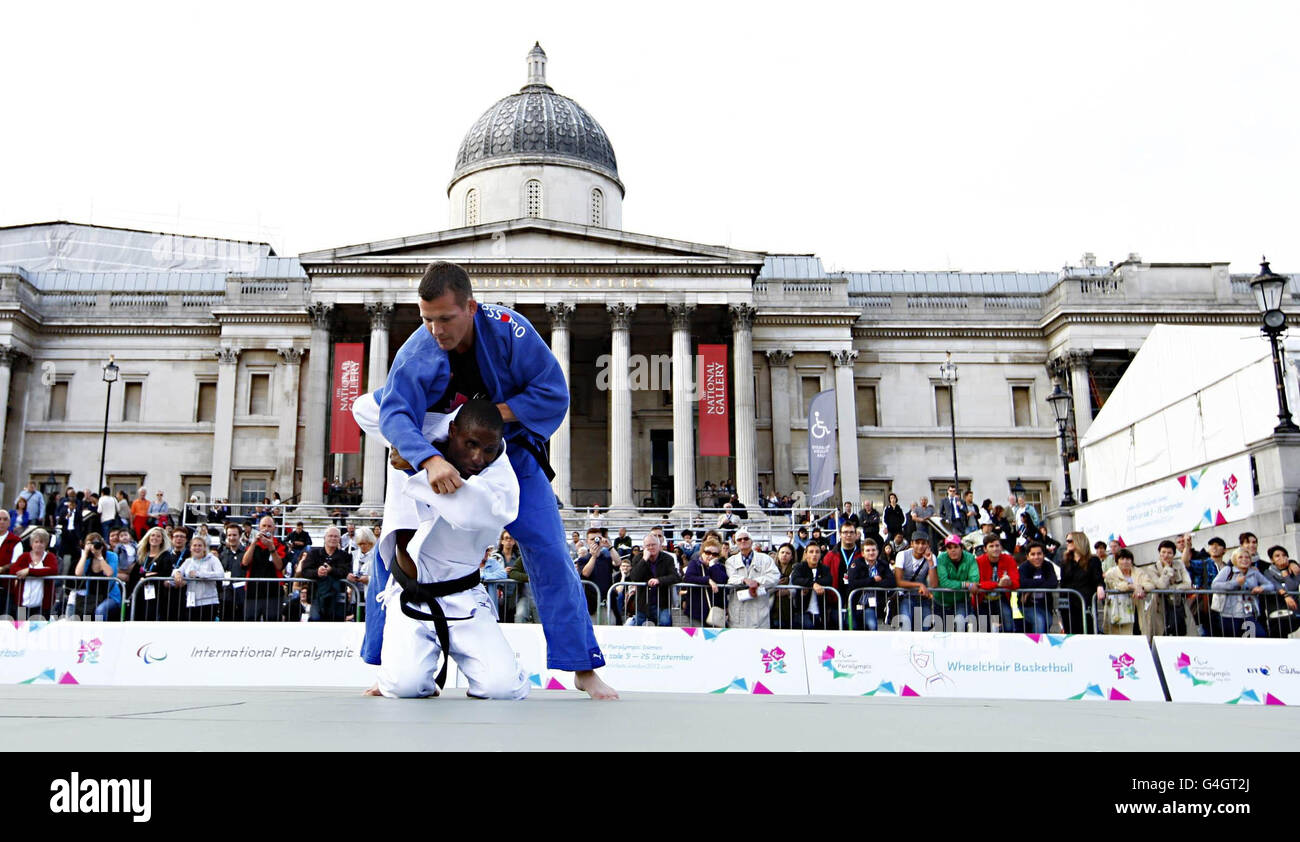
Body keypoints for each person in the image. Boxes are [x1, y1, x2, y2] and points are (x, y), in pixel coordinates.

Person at [371, 260, 613, 699]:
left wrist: (491, 416)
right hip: (439, 452)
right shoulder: (416, 350)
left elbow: (553, 392)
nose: (436, 330)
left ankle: (581, 666)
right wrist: (428, 458)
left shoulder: (510, 331)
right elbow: (394, 412)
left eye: (445, 318)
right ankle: (380, 660)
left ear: (471, 307)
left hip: (510, 451)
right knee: (393, 539)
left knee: (549, 547)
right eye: (427, 319)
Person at [371, 400, 530, 700]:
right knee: (403, 686)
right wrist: (426, 455)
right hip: (410, 596)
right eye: (470, 444)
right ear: (452, 430)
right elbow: (364, 409)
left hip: (463, 598)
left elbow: (469, 511)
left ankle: (506, 668)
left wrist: (419, 468)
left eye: (489, 449)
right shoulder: (416, 434)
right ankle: (406, 671)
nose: (478, 458)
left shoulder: (501, 483)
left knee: (503, 689)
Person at [1210, 548, 1273, 638]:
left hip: (1248, 613)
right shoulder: (1228, 570)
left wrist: (1261, 588)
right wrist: (1235, 583)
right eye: (1240, 557)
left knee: (1260, 635)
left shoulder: (1254, 572)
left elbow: (1270, 585)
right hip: (1229, 614)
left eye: (1247, 557)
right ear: (1235, 559)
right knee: (1232, 641)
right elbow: (1215, 585)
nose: (1244, 559)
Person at [724, 528, 779, 629]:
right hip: (738, 610)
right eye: (739, 539)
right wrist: (745, 580)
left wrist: (757, 582)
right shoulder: (730, 561)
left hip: (759, 610)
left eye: (746, 538)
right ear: (736, 542)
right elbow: (731, 578)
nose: (743, 541)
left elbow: (774, 576)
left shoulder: (766, 559)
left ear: (751, 541)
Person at [1141, 539, 1193, 637]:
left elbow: (1188, 584)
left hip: (1178, 605)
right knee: (1160, 633)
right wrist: (1167, 570)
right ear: (1159, 553)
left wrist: (1174, 588)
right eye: (1163, 552)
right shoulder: (1152, 568)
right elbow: (1161, 586)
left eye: (1169, 553)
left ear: (1173, 554)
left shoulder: (1179, 564)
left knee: (1181, 632)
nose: (1166, 555)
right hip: (1159, 607)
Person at [300, 526, 352, 622]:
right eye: (330, 536)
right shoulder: (313, 553)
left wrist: (331, 570)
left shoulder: (345, 556)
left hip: (338, 597)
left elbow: (346, 572)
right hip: (317, 596)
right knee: (315, 620)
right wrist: (317, 572)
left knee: (337, 623)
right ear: (324, 538)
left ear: (339, 539)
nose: (333, 538)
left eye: (336, 536)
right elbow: (305, 571)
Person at [241, 515, 287, 621]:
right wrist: (253, 544)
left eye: (269, 526)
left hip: (273, 593)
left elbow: (279, 566)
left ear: (274, 528)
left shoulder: (281, 545)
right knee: (250, 621)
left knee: (272, 622)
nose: (266, 528)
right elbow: (244, 563)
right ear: (259, 528)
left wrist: (271, 547)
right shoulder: (252, 545)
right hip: (253, 592)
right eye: (264, 526)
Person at [627, 533, 679, 627]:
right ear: (643, 547)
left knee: (665, 625)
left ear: (659, 545)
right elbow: (634, 577)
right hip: (643, 603)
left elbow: (675, 576)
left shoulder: (668, 559)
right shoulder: (638, 558)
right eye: (648, 545)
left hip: (662, 603)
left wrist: (659, 580)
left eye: (653, 544)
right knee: (640, 627)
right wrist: (644, 559)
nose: (651, 547)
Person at [1058, 531, 1104, 634]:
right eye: (1067, 541)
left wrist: (1100, 586)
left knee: (1087, 632)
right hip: (1069, 605)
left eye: (1070, 541)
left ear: (1079, 541)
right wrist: (1061, 607)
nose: (1067, 543)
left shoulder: (1093, 560)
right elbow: (1063, 585)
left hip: (1086, 603)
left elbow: (1098, 577)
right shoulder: (1065, 562)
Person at [893, 529, 937, 630]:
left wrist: (930, 562)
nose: (920, 546)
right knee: (906, 625)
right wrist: (919, 585)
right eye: (917, 543)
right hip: (906, 596)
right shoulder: (902, 555)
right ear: (912, 544)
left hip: (923, 598)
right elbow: (899, 581)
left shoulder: (932, 557)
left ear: (928, 544)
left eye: (923, 543)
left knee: (925, 628)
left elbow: (934, 584)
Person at [975, 531, 1019, 632]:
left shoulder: (1009, 559)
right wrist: (998, 584)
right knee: (983, 629)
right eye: (991, 546)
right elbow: (978, 583)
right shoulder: (978, 561)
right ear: (985, 549)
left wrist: (1009, 582)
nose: (995, 549)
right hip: (982, 600)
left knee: (1008, 621)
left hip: (1001, 598)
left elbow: (1016, 582)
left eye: (997, 545)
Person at [8, 527, 58, 618]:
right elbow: (13, 570)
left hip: (42, 605)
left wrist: (28, 571)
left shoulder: (50, 557)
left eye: (41, 542)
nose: (39, 544)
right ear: (31, 543)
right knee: (21, 628)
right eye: (36, 542)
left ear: (46, 544)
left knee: (39, 630)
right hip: (22, 603)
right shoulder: (24, 556)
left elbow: (53, 570)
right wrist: (41, 571)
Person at [172, 535, 224, 621]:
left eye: (200, 545)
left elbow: (220, 574)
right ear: (191, 548)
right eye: (194, 545)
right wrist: (177, 573)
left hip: (209, 601)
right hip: (192, 601)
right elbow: (178, 570)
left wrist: (199, 574)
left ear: (204, 548)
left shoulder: (213, 559)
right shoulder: (188, 561)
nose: (197, 548)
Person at [848, 537, 894, 631]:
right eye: (868, 550)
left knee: (872, 625)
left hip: (874, 605)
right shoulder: (856, 564)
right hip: (857, 603)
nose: (871, 553)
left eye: (873, 550)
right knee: (853, 628)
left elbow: (891, 582)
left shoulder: (883, 564)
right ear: (863, 553)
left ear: (877, 551)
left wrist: (870, 584)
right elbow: (853, 583)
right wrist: (873, 579)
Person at [935, 534, 979, 632]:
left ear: (961, 547)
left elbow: (975, 580)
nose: (953, 550)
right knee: (943, 632)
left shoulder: (970, 558)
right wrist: (965, 584)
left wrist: (967, 584)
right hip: (942, 601)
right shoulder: (941, 558)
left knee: (961, 626)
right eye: (949, 548)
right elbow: (944, 582)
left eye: (955, 547)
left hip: (961, 599)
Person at [682, 537, 728, 627]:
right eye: (707, 552)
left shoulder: (720, 567)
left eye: (714, 554)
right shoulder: (694, 564)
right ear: (702, 552)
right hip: (696, 610)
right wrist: (708, 580)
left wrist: (713, 566)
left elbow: (722, 580)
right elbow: (688, 578)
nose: (710, 556)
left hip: (715, 611)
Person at [75, 533, 122, 621]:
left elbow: (109, 573)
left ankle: (100, 634)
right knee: (84, 614)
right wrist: (85, 554)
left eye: (96, 543)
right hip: (92, 596)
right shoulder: (88, 559)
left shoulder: (111, 556)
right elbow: (78, 573)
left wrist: (99, 556)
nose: (93, 546)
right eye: (90, 544)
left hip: (110, 595)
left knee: (100, 611)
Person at [790, 543, 835, 629]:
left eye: (817, 552)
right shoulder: (799, 567)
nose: (814, 554)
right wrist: (813, 584)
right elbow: (795, 579)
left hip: (820, 611)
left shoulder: (824, 568)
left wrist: (810, 583)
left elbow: (829, 580)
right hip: (803, 610)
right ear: (806, 554)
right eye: (811, 552)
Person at [1017, 541, 1058, 634]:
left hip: (1044, 605)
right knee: (1039, 621)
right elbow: (1022, 583)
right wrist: (1043, 581)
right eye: (1033, 554)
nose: (1036, 557)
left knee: (1049, 621)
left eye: (1039, 554)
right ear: (1027, 556)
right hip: (1027, 605)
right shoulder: (1023, 567)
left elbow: (1053, 583)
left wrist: (1031, 589)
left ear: (1043, 555)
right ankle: (1037, 646)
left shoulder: (1048, 566)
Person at [1261, 545, 1300, 638]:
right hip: (1276, 613)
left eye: (1284, 555)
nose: (1281, 558)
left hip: (1293, 613)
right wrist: (1286, 595)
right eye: (1277, 556)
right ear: (1272, 560)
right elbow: (1273, 584)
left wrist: (1284, 571)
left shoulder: (1294, 570)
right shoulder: (1267, 572)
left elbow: (1292, 587)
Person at [1102, 549, 1143, 635]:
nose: (1125, 562)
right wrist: (1132, 586)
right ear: (1117, 561)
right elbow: (1116, 585)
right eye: (1122, 559)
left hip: (1136, 608)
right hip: (1117, 611)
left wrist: (1141, 587)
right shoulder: (1111, 572)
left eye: (1128, 559)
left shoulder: (1138, 571)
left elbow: (1148, 583)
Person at [577, 529, 615, 622]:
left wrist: (610, 546)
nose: (595, 541)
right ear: (587, 541)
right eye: (592, 539)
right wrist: (594, 556)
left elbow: (618, 563)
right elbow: (585, 573)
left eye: (598, 538)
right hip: (591, 604)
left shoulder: (606, 558)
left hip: (608, 603)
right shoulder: (583, 559)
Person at [218, 523, 247, 621]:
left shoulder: (246, 553)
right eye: (229, 535)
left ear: (240, 536)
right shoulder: (223, 554)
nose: (232, 538)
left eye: (234, 535)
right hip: (226, 595)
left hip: (242, 595)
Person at [347, 526, 375, 620]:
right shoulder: (354, 555)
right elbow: (349, 571)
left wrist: (369, 579)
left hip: (372, 594)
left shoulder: (377, 556)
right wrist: (350, 577)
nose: (362, 546)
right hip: (357, 594)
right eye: (360, 544)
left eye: (365, 543)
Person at [769, 541, 799, 629]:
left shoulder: (796, 569)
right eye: (782, 552)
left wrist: (788, 592)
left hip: (791, 610)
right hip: (773, 609)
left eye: (788, 553)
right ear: (778, 554)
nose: (784, 555)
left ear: (792, 556)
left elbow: (797, 587)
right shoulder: (771, 569)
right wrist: (776, 585)